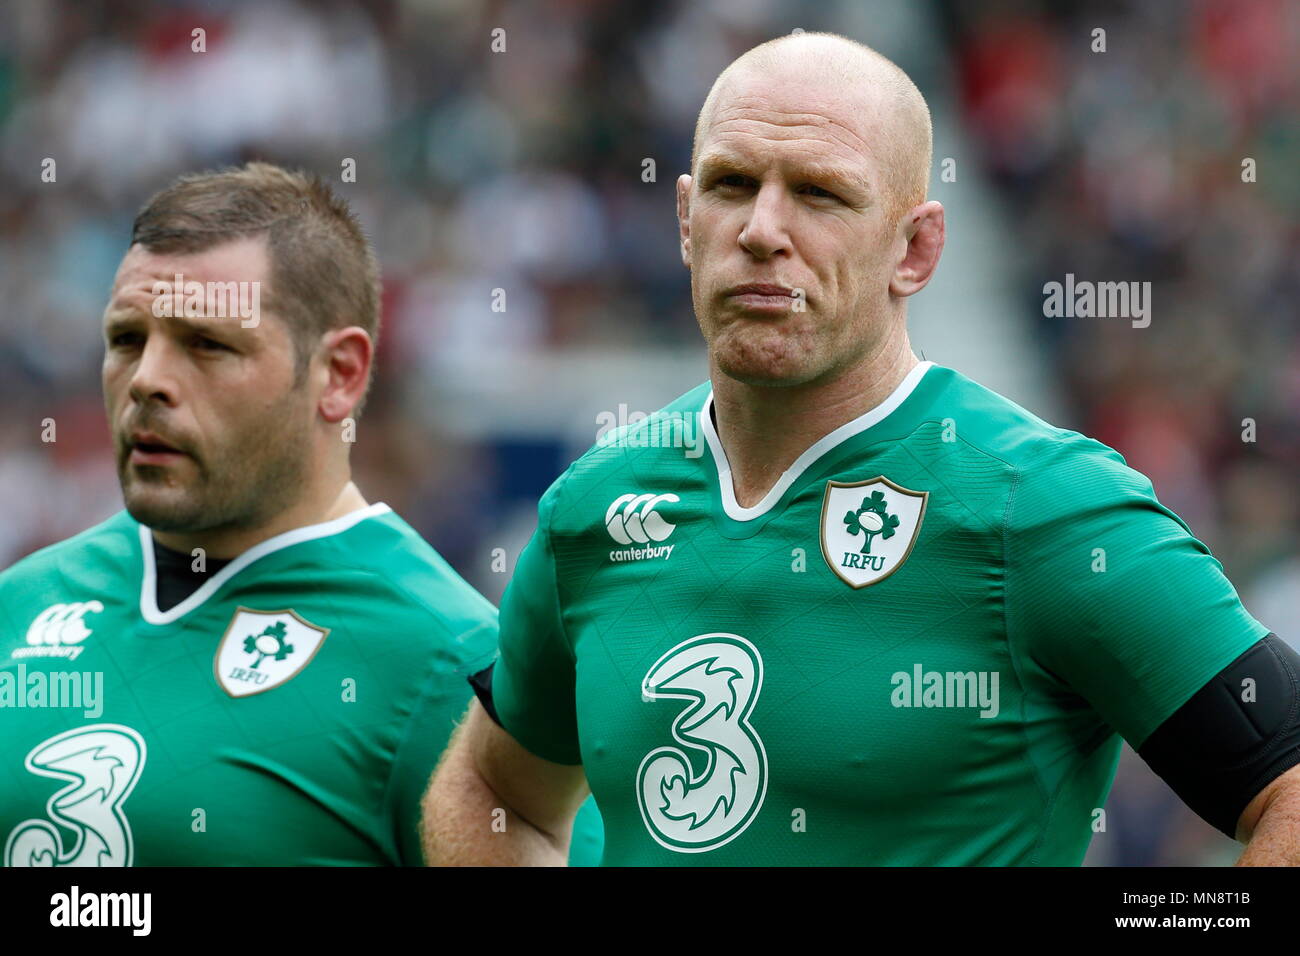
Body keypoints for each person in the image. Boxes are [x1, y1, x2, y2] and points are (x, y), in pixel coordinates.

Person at [422, 33, 1298, 866]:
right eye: (732, 185)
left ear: (915, 249)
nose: (763, 228)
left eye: (819, 193)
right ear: (686, 220)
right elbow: (493, 789)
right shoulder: (596, 507)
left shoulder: (1044, 505)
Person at [0, 162, 602, 866]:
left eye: (207, 344)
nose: (147, 381)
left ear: (338, 374)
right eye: (128, 340)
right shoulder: (23, 603)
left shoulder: (454, 667)